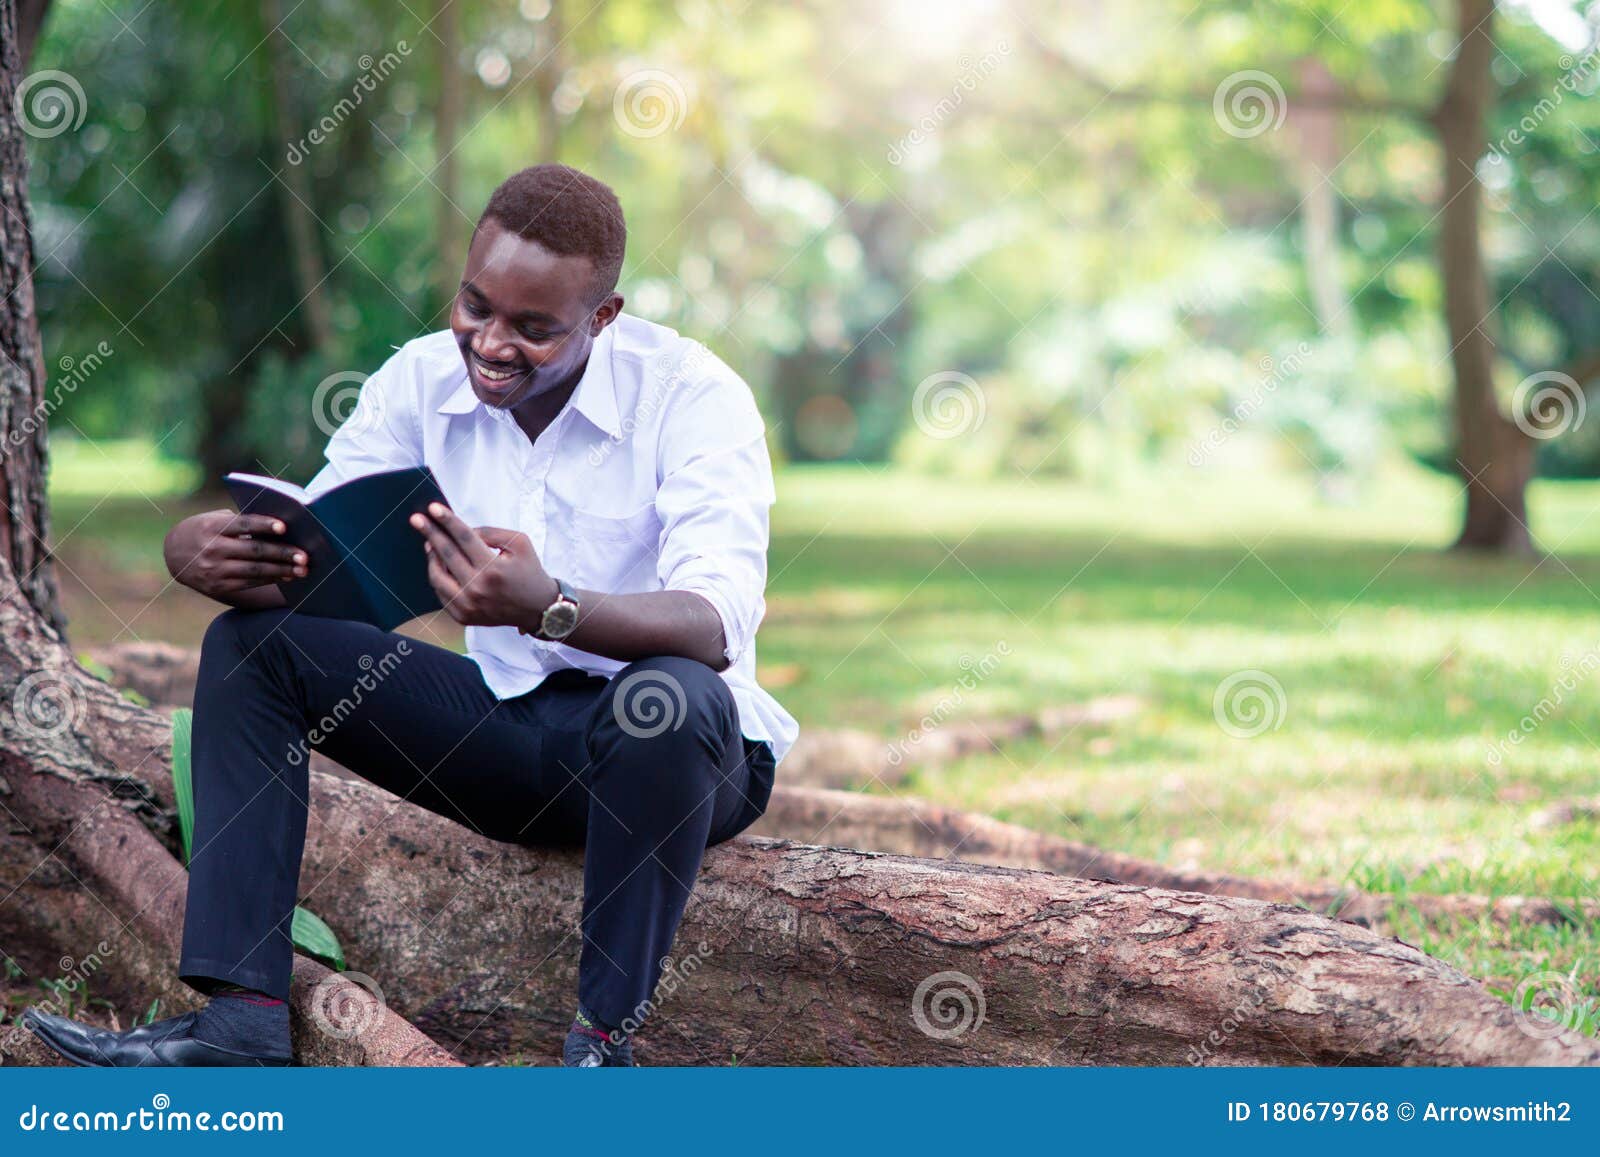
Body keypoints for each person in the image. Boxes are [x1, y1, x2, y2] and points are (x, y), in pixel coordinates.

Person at [23, 163, 797, 1068]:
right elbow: (324, 565)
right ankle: (240, 1021)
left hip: (682, 760)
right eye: (476, 306)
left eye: (533, 328)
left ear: (604, 317)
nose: (492, 343)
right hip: (514, 734)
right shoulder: (422, 381)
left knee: (671, 695)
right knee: (252, 645)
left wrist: (551, 607)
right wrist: (207, 555)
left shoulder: (695, 399)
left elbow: (713, 621)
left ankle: (599, 1051)